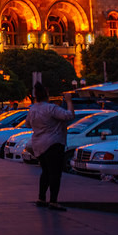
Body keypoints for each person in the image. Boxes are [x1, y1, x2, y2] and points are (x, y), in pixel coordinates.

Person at [26, 82, 74, 210]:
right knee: (55, 173)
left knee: (45, 172)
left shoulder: (32, 109)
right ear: (46, 94)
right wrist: (69, 101)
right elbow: (69, 115)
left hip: (38, 145)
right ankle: (53, 201)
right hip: (53, 143)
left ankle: (41, 198)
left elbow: (27, 124)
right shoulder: (51, 108)